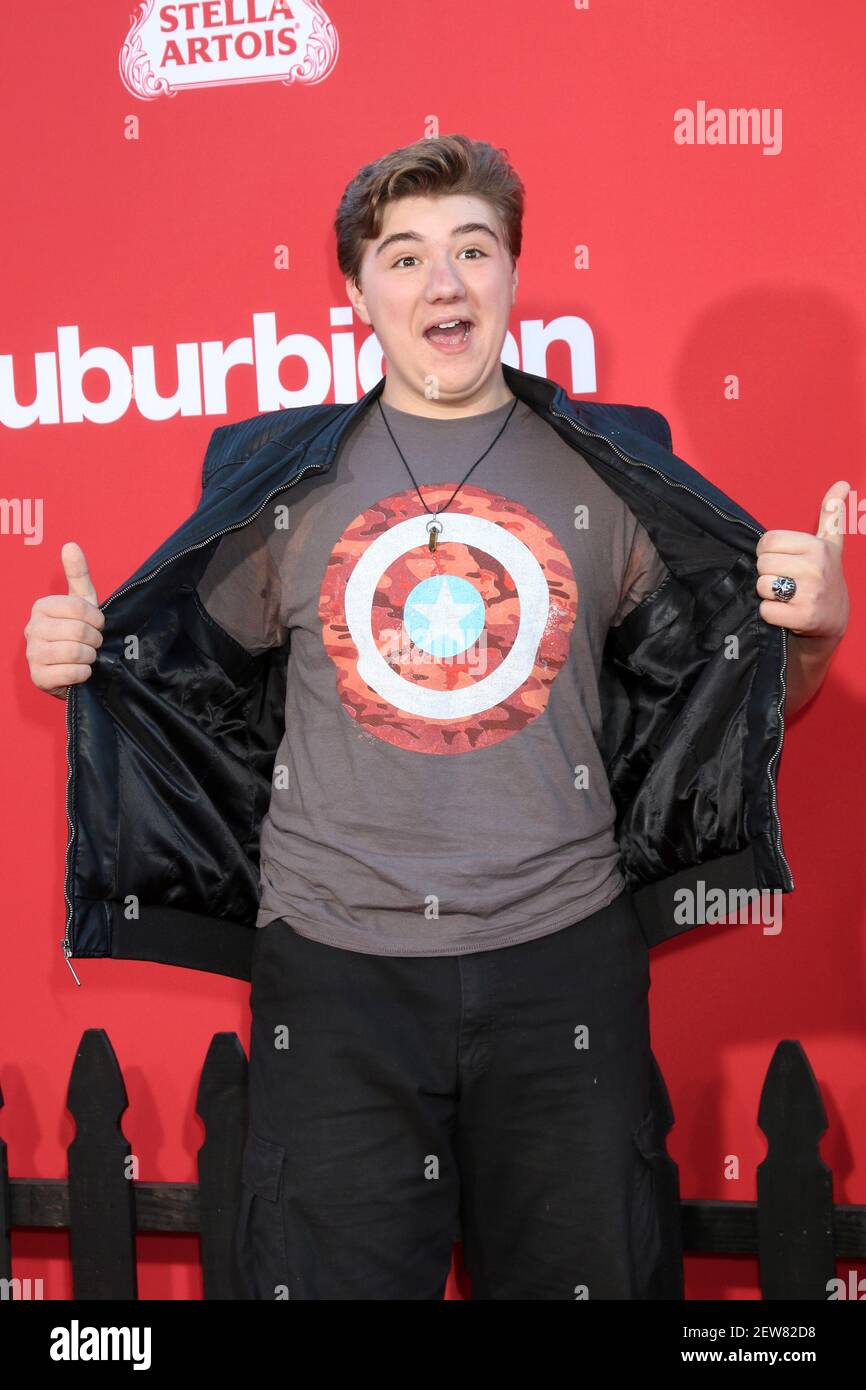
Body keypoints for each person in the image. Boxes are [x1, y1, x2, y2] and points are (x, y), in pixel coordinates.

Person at [24, 134, 849, 1300]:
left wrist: (805, 637)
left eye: (472, 249)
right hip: (334, 984)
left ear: (512, 270)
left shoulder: (612, 474)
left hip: (563, 971)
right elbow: (181, 696)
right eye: (403, 257)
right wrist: (87, 661)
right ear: (356, 291)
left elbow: (719, 708)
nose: (442, 283)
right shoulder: (279, 487)